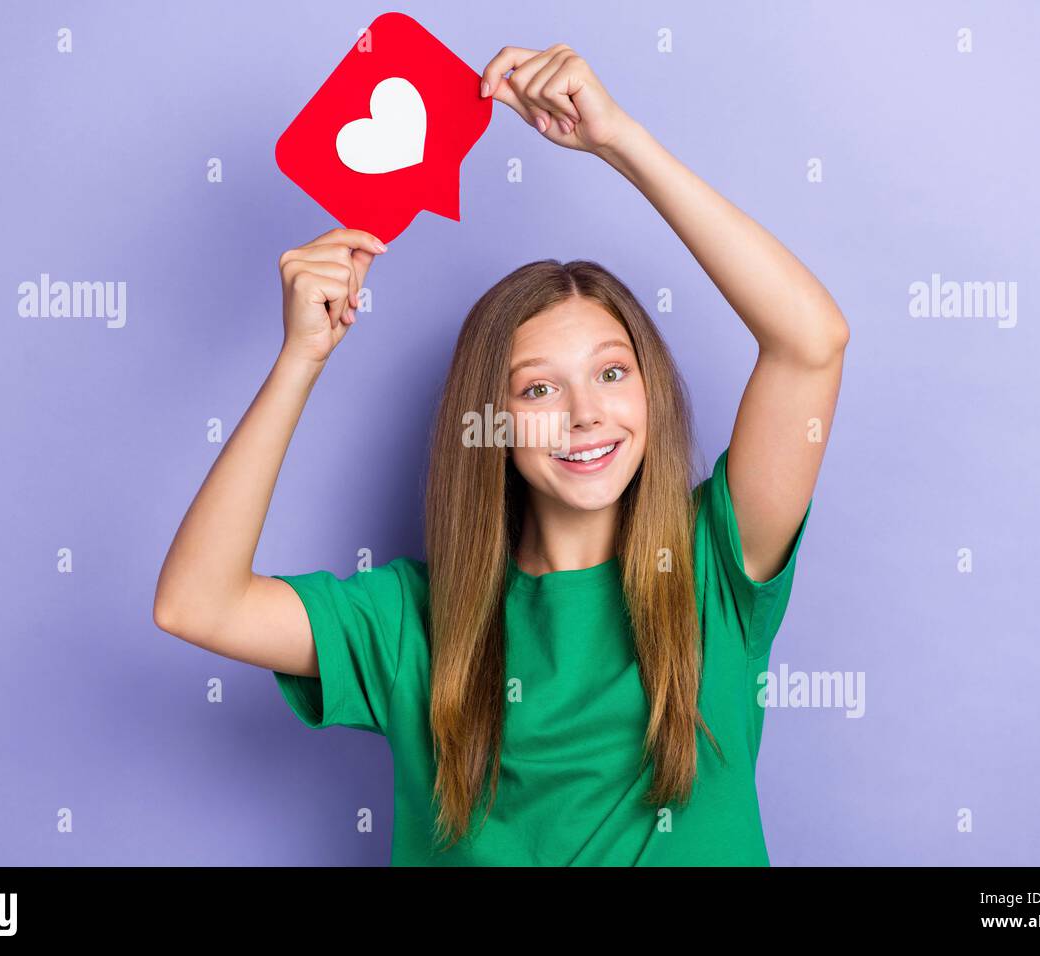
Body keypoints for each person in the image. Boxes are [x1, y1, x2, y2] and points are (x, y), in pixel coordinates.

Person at [154, 43, 849, 866]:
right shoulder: (412, 623)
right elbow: (195, 603)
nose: (585, 415)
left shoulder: (714, 568)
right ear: (492, 424)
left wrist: (619, 140)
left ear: (651, 393)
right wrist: (300, 359)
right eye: (539, 391)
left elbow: (811, 342)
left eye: (612, 373)